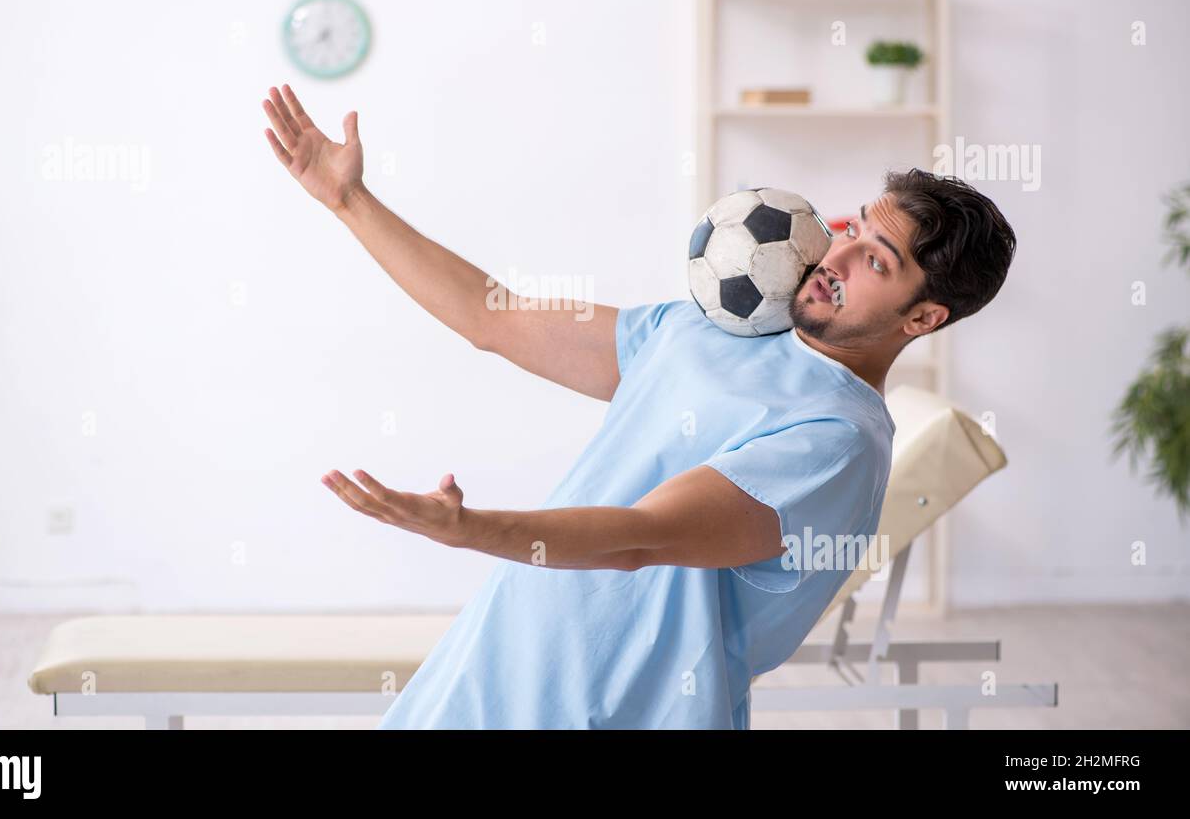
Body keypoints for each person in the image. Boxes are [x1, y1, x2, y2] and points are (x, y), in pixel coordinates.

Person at [260, 84, 1018, 729]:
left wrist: (468, 529)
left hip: (618, 707)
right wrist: (349, 200)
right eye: (854, 227)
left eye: (877, 262)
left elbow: (640, 537)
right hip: (494, 662)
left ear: (922, 318)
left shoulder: (836, 440)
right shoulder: (719, 324)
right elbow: (493, 317)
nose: (840, 255)